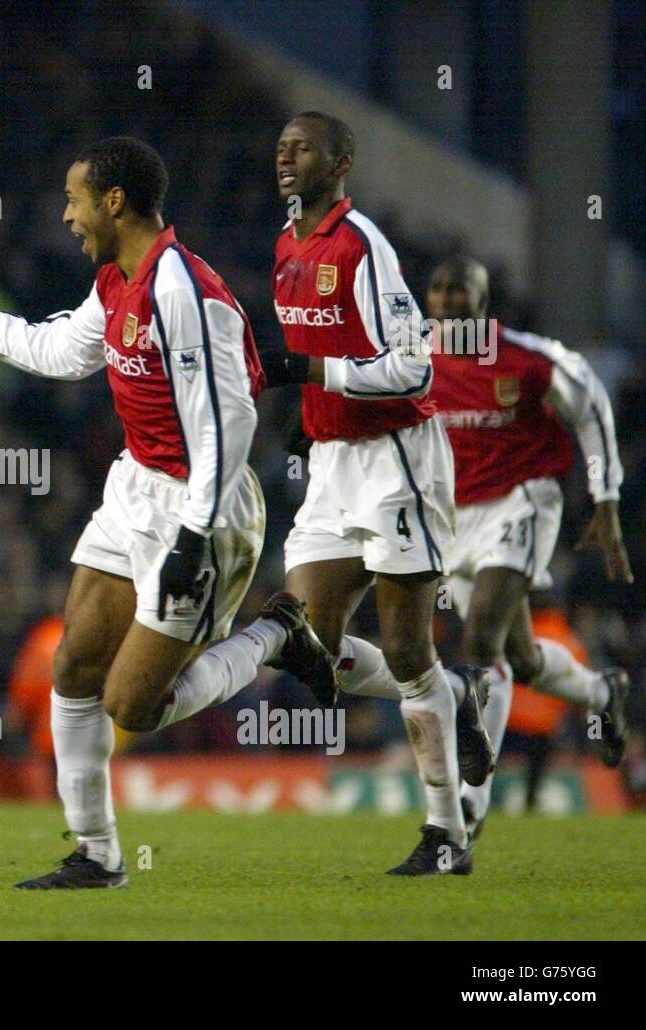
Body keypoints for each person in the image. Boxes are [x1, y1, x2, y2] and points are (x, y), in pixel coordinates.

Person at [0, 137, 333, 889]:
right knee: (74, 666)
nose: (66, 216)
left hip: (207, 506)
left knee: (137, 704)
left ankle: (275, 634)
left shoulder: (183, 293)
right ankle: (96, 855)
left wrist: (194, 536)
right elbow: (62, 351)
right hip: (137, 487)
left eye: (74, 199)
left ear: (114, 201)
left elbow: (229, 427)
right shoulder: (115, 280)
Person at [259, 112, 491, 875]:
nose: (288, 158)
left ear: (343, 161)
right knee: (310, 647)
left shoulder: (362, 246)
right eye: (283, 148)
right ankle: (454, 692)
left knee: (403, 647)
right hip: (333, 461)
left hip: (397, 459)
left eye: (305, 149)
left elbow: (414, 369)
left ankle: (445, 833)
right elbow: (330, 354)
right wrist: (310, 419)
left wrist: (308, 376)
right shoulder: (287, 245)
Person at [426, 254, 632, 838]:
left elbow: (591, 410)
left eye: (457, 290)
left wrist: (606, 499)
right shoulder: (415, 358)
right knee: (521, 658)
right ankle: (601, 690)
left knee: (480, 639)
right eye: (436, 290)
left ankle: (470, 806)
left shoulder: (528, 359)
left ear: (483, 301)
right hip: (454, 516)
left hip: (523, 498)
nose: (444, 301)